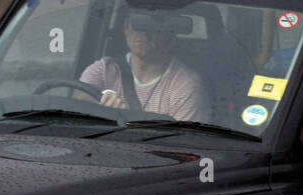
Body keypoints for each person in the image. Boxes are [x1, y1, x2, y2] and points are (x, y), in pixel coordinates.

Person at [80, 12, 209, 122]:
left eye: (151, 23)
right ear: (126, 27)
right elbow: (76, 107)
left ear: (169, 33)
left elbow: (181, 144)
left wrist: (120, 117)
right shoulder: (103, 70)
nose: (143, 32)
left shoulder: (185, 86)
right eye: (138, 22)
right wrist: (103, 99)